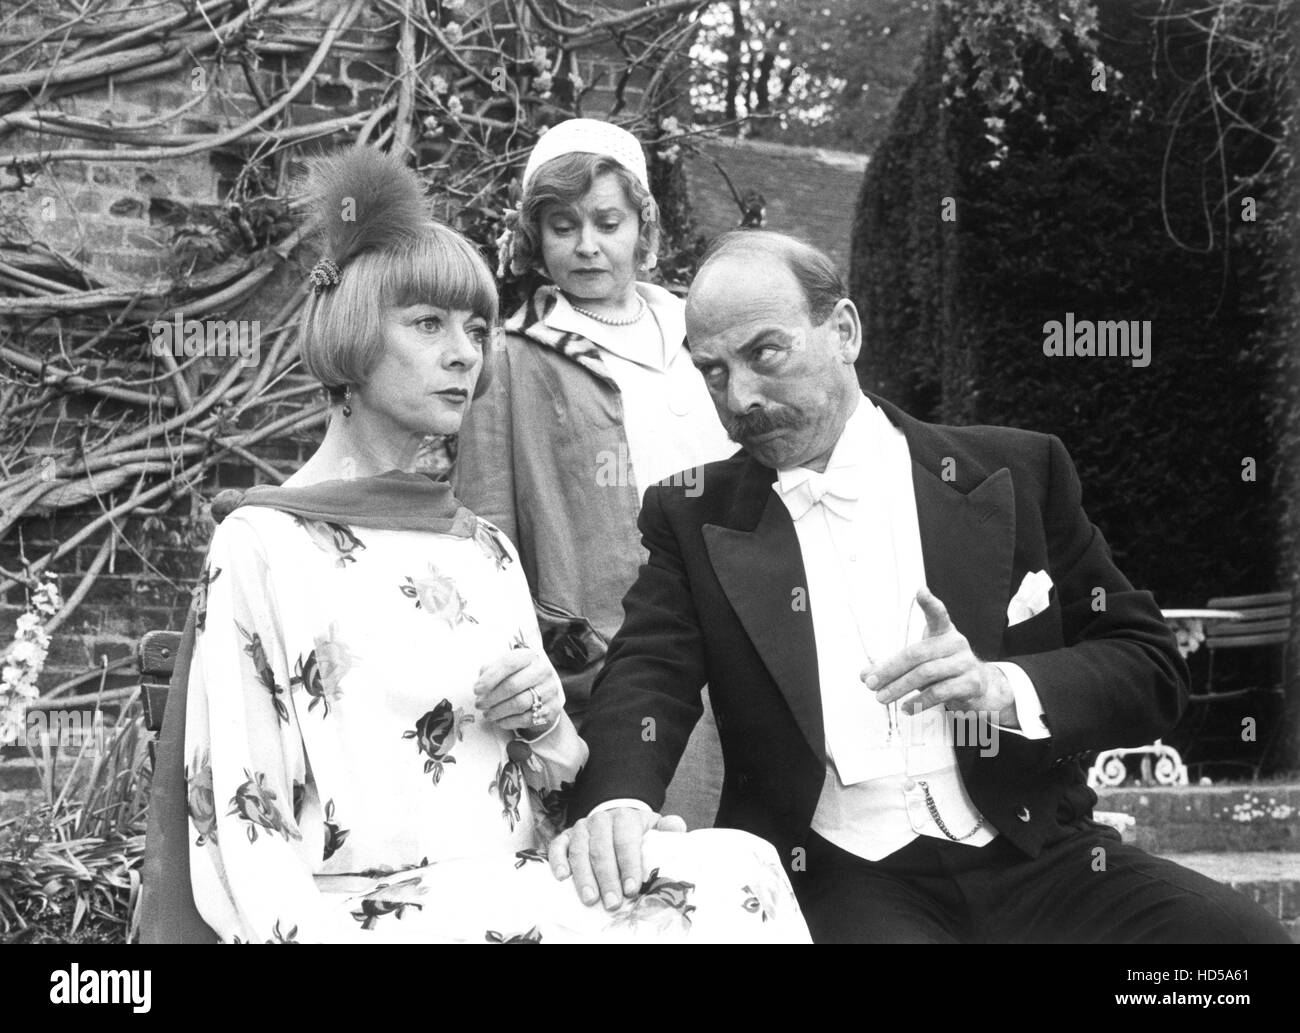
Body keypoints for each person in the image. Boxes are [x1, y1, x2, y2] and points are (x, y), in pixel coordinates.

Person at [139, 149, 809, 944]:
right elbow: (243, 822)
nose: (466, 352)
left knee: (736, 870)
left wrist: (546, 719)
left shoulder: (483, 547)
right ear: (353, 336)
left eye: (477, 328)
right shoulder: (263, 544)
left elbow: (554, 772)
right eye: (428, 324)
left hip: (509, 885)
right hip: (355, 912)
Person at [548, 229, 1291, 944]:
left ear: (844, 329)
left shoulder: (1020, 472)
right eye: (713, 371)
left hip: (1040, 854)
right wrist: (619, 797)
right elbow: (650, 669)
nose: (739, 396)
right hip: (837, 873)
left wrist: (1002, 686)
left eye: (764, 352)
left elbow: (1149, 665)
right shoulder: (690, 513)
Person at [454, 119, 737, 729]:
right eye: (563, 226)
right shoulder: (510, 357)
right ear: (536, 237)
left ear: (643, 230)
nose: (586, 244)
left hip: (738, 625)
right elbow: (486, 532)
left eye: (607, 224)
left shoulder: (710, 333)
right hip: (608, 659)